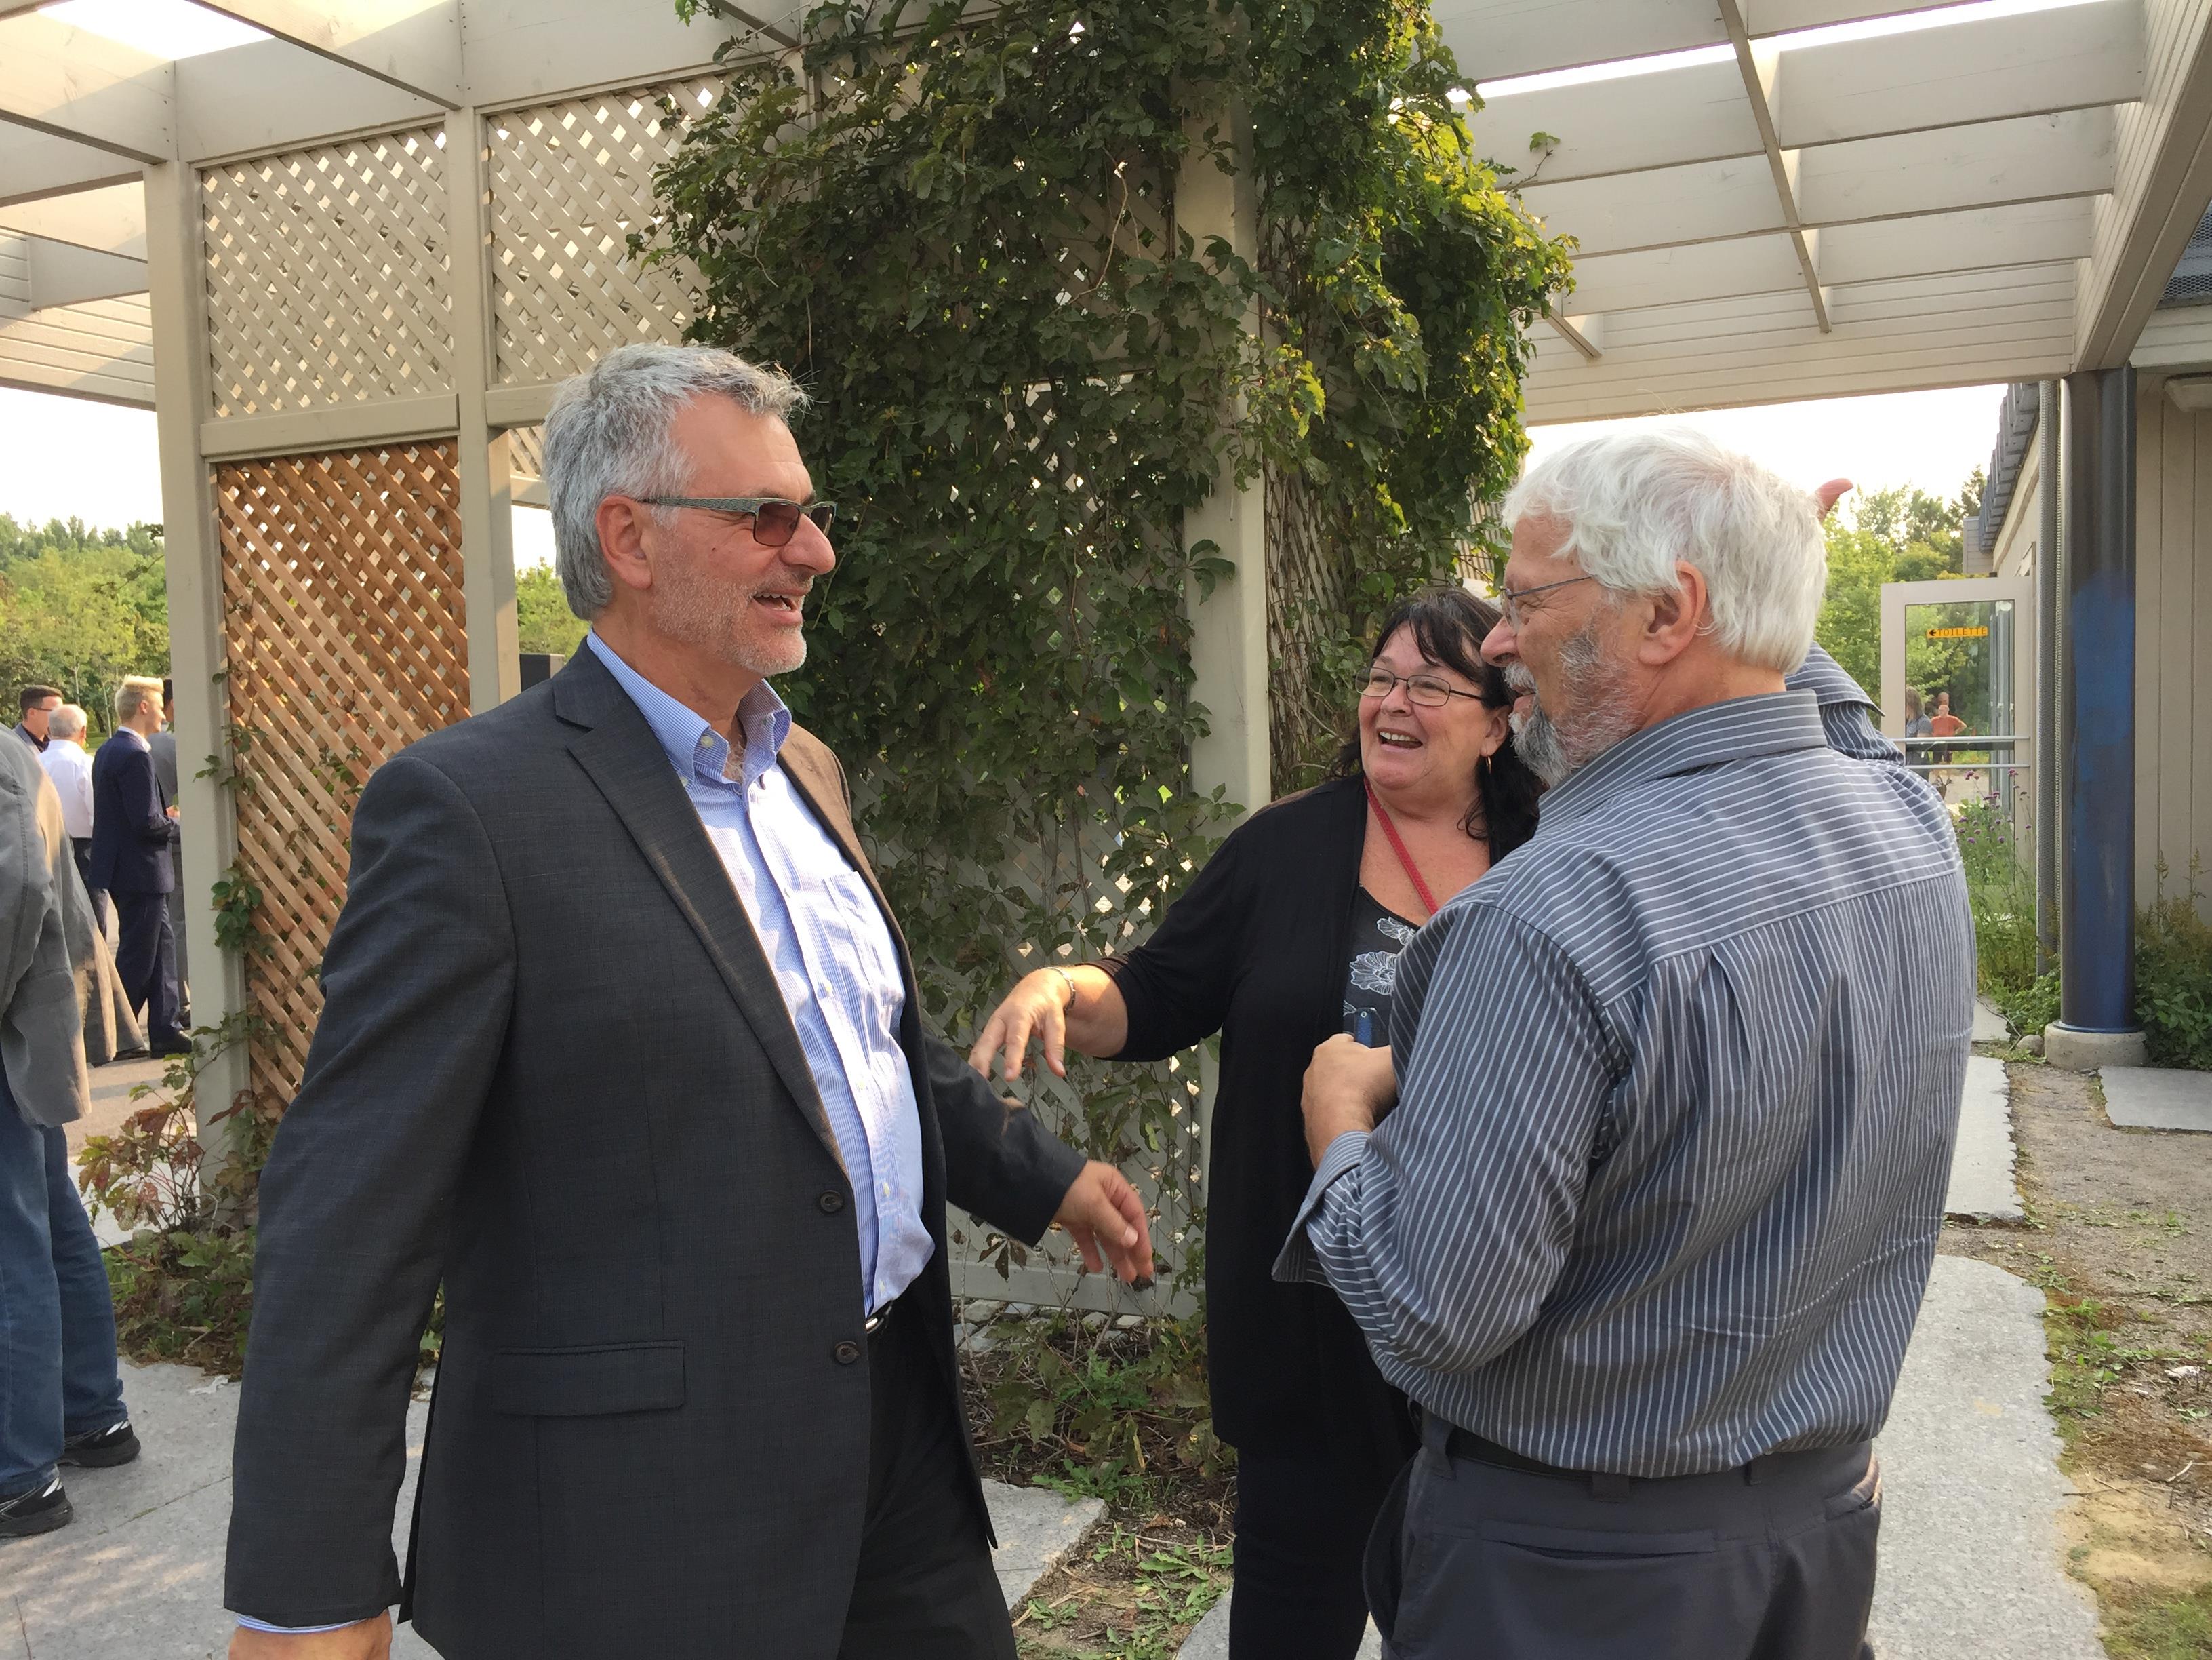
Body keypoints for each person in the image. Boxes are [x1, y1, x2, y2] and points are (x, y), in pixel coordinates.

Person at [223, 342, 1153, 1660]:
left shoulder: (804, 766)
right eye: (765, 517)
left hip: (895, 1463)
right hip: (640, 1536)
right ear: (631, 539)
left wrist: (1034, 1177)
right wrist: (310, 1593)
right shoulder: (468, 813)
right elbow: (344, 1218)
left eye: (811, 513)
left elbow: (865, 1048)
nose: (814, 550)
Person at [1282, 429, 1973, 1660]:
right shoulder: (1906, 826)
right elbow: (1832, 714)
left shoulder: (1545, 916)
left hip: (1571, 1580)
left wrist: (1339, 1128)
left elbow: (1437, 1312)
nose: (1497, 640)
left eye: (1528, 597)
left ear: (1666, 612)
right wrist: (1773, 594)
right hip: (1813, 1548)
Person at [968, 586, 1543, 1660]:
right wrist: (1060, 986)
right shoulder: (1284, 847)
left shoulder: (1551, 854)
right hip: (1308, 1325)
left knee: (1478, 1626)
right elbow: (1157, 991)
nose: (1392, 701)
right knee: (1289, 1626)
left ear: (1499, 718)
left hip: (1489, 1320)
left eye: (1429, 683)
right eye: (1380, 679)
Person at [0, 730, 139, 1539]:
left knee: (18, 1244)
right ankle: (93, 1418)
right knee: (49, 1225)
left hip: (13, 1032)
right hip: (27, 1030)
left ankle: (21, 1475)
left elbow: (16, 883)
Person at [88, 678, 186, 1060]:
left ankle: (165, 1028)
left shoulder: (112, 749)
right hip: (140, 870)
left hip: (131, 870)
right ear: (143, 706)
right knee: (139, 955)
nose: (165, 712)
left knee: (161, 948)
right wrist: (180, 826)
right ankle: (112, 1037)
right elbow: (146, 822)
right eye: (160, 704)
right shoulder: (134, 755)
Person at [37, 705, 101, 938]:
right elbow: (96, 811)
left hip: (45, 846)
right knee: (92, 912)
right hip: (86, 848)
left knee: (56, 910)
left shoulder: (36, 762)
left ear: (49, 730)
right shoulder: (86, 763)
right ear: (83, 732)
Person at [147, 681, 188, 1027]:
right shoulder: (173, 745)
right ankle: (191, 995)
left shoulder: (134, 745)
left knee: (169, 925)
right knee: (182, 923)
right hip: (178, 840)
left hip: (153, 850)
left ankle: (180, 997)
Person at [14, 686, 60, 753]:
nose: (60, 717)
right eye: (55, 712)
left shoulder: (58, 745)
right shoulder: (11, 745)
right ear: (32, 713)